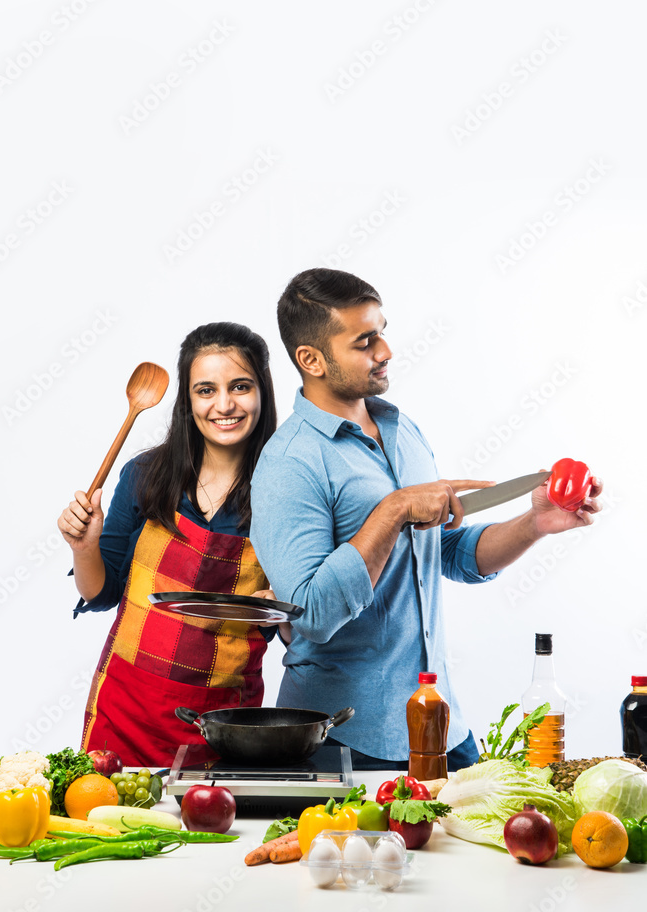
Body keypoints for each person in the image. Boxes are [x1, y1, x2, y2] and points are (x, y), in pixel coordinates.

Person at [249, 270, 602, 771]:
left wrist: (534, 523)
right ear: (312, 360)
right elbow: (312, 614)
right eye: (364, 341)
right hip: (347, 740)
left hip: (443, 726)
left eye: (383, 331)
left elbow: (450, 553)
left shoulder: (401, 428)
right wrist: (392, 510)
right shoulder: (288, 464)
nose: (386, 350)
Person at [58, 322, 285, 766]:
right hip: (125, 711)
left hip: (223, 725)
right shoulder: (146, 475)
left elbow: (289, 622)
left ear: (263, 392)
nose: (224, 405)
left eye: (240, 387)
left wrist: (279, 605)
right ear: (187, 399)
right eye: (206, 390)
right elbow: (100, 594)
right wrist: (84, 548)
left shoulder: (286, 490)